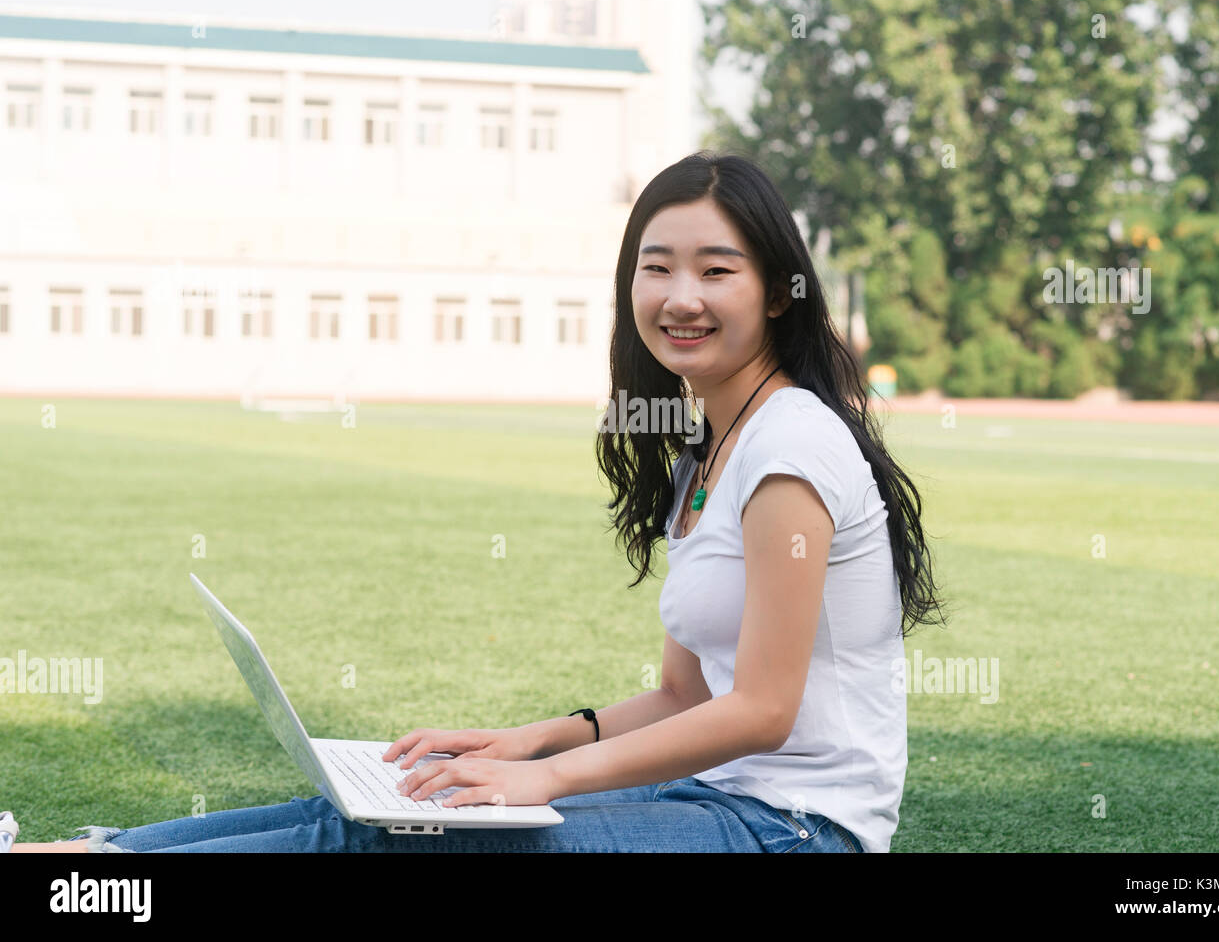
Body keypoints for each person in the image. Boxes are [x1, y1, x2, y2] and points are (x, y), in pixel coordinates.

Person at [9, 151, 946, 853]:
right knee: (368, 805)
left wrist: (541, 776)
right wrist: (527, 737)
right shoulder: (707, 450)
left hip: (795, 829)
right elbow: (681, 692)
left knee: (407, 841)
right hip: (713, 799)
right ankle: (83, 860)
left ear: (776, 292)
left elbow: (761, 711)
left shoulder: (791, 446)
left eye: (716, 269)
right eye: (657, 267)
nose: (680, 295)